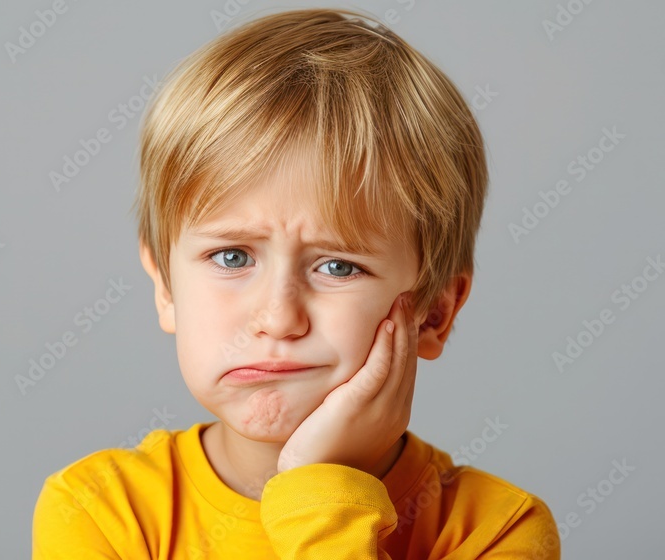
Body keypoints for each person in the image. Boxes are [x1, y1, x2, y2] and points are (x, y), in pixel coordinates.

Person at [32, 7, 560, 558]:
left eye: (338, 267)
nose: (279, 317)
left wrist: (320, 485)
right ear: (166, 287)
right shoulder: (99, 510)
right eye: (232, 256)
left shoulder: (495, 530)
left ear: (433, 313)